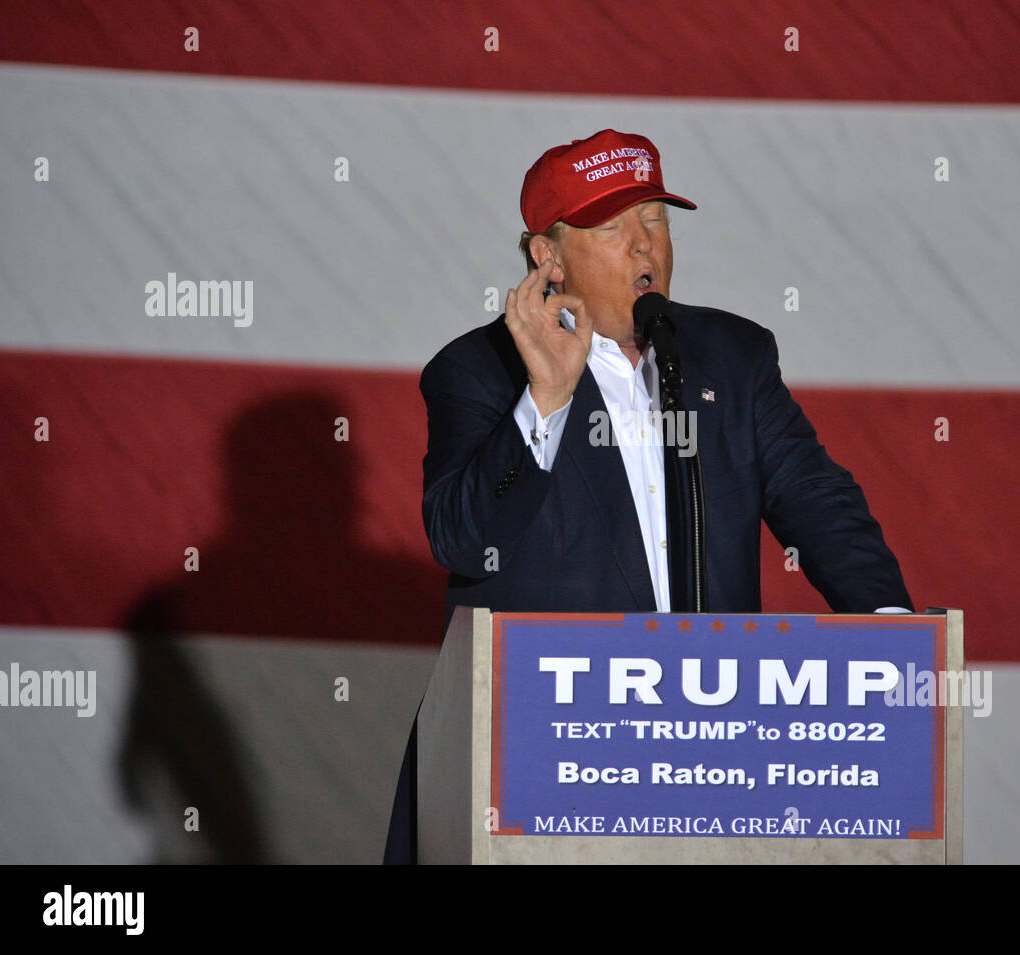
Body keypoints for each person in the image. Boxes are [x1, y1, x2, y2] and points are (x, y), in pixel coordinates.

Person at [384, 128, 911, 862]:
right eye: (611, 227)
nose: (644, 246)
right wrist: (545, 399)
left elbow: (820, 500)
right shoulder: (480, 371)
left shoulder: (733, 357)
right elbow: (462, 538)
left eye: (655, 220)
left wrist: (894, 636)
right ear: (546, 257)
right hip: (544, 767)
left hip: (713, 758)